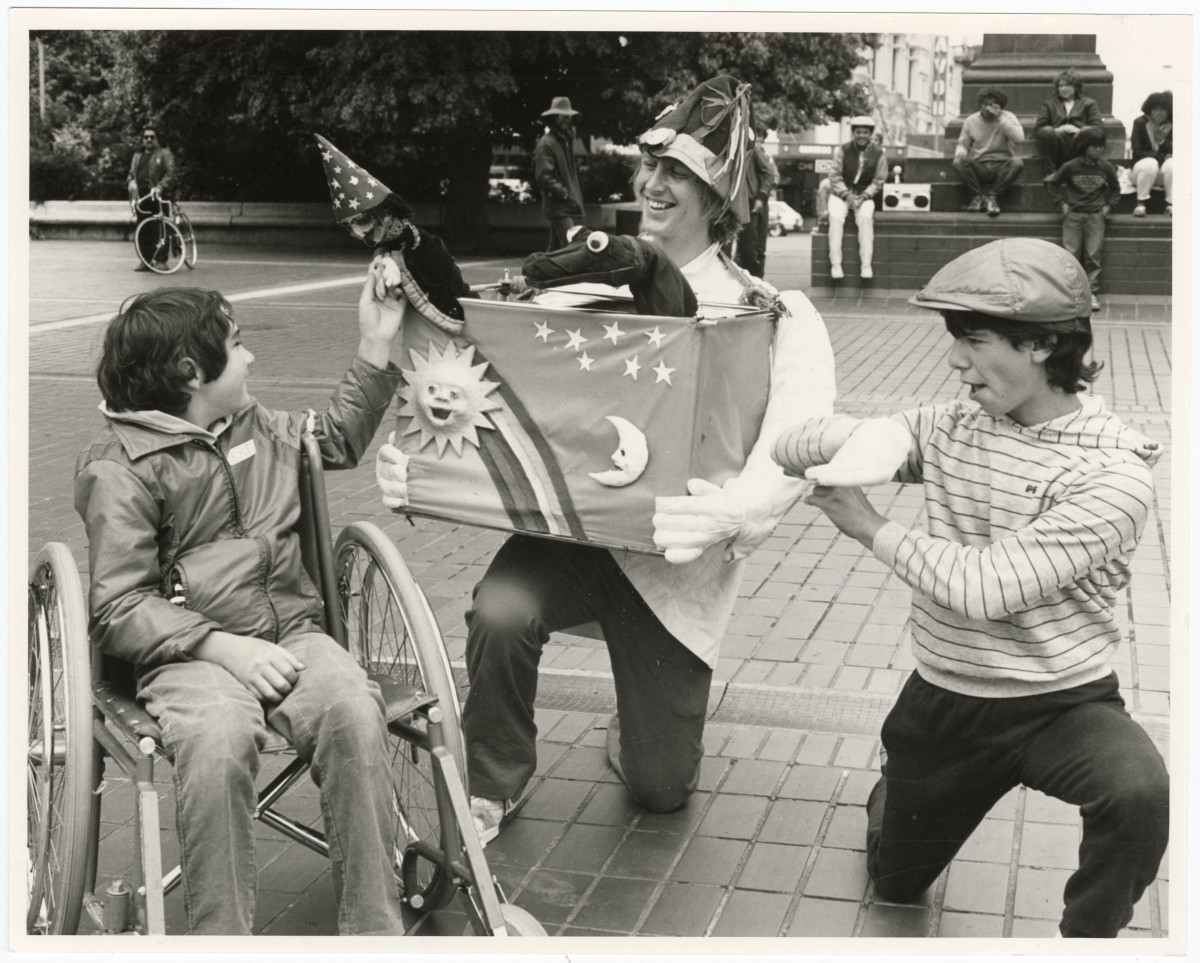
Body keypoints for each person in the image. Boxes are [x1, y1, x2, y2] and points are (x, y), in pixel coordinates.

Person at [376, 75, 835, 843]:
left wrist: (737, 510)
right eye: (650, 167)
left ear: (719, 196)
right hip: (575, 542)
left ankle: (636, 737)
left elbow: (798, 436)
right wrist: (426, 466)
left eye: (678, 172)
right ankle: (491, 783)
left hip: (674, 575)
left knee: (660, 792)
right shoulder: (576, 288)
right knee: (499, 610)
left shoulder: (775, 314)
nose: (654, 185)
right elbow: (489, 375)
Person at [772, 236, 1167, 939]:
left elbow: (986, 588)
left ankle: (1091, 940)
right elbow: (795, 444)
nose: (955, 360)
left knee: (1138, 791)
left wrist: (866, 524)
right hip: (947, 700)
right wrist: (860, 439)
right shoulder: (956, 425)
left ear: (1043, 343)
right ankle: (897, 790)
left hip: (1062, 703)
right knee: (894, 882)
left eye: (974, 339)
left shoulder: (1115, 474)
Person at [74, 277, 409, 935]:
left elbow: (337, 437)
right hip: (186, 658)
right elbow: (118, 606)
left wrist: (376, 338)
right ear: (190, 371)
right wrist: (223, 646)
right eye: (238, 344)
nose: (251, 357)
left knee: (351, 707)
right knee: (218, 739)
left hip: (293, 634)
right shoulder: (120, 469)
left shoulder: (265, 429)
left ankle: (376, 931)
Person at [1044, 126, 1121, 313]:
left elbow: (1116, 189)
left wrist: (1108, 207)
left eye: (1101, 146)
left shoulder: (1106, 167)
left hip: (1096, 217)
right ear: (1084, 146)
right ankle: (1070, 293)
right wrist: (1061, 204)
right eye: (1095, 146)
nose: (1099, 150)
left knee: (1093, 256)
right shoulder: (1070, 166)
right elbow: (1052, 183)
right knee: (1070, 255)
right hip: (1073, 216)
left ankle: (1091, 294)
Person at [827, 116, 886, 280]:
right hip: (841, 195)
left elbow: (879, 180)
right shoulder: (842, 150)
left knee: (866, 218)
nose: (861, 135)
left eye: (865, 132)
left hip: (864, 195)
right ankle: (836, 264)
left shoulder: (879, 153)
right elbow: (835, 176)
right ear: (853, 133)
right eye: (858, 132)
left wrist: (865, 195)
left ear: (870, 134)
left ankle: (866, 265)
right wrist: (847, 195)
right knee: (836, 218)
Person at [952, 86, 1025, 216]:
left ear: (1000, 107)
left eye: (992, 105)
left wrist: (1000, 119)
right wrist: (961, 151)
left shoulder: (1008, 117)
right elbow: (963, 143)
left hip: (1002, 165)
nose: (987, 108)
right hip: (980, 165)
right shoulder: (971, 120)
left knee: (1017, 162)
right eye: (985, 104)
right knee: (958, 162)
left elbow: (1019, 138)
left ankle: (992, 197)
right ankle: (977, 197)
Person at [534, 96, 587, 251]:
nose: (566, 119)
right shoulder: (548, 143)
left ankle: (542, 275)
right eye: (562, 116)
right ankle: (554, 275)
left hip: (561, 204)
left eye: (568, 116)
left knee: (556, 248)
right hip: (559, 204)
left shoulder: (562, 140)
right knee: (570, 247)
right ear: (553, 118)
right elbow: (543, 176)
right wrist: (564, 194)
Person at [126, 125, 177, 271]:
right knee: (143, 230)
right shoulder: (137, 156)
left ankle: (161, 260)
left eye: (152, 137)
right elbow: (131, 174)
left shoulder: (165, 154)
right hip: (142, 198)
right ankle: (146, 260)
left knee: (161, 228)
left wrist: (160, 187)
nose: (148, 139)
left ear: (157, 140)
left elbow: (171, 174)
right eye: (146, 137)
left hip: (159, 197)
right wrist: (130, 182)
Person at [734, 127, 780, 278]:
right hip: (738, 202)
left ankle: (756, 284)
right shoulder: (731, 147)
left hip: (753, 203)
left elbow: (771, 175)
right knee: (741, 249)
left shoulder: (754, 148)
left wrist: (761, 197)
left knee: (753, 250)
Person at [1033, 68, 1102, 169]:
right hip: (1056, 141)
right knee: (1047, 131)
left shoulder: (1089, 103)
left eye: (1067, 85)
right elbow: (1038, 129)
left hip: (1079, 142)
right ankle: (1052, 172)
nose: (1063, 89)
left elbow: (1097, 127)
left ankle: (1082, 169)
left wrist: (1080, 130)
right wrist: (1056, 130)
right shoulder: (1049, 104)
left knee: (1089, 131)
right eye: (1061, 86)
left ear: (1076, 87)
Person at [1130, 91, 1174, 217]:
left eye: (1163, 110)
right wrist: (1162, 156)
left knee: (1173, 164)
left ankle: (1170, 204)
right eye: (1155, 109)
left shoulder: (1174, 125)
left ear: (1169, 111)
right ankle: (1141, 203)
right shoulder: (1139, 123)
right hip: (1142, 171)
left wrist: (1162, 141)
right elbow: (1138, 153)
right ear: (1149, 110)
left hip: (1164, 172)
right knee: (1150, 163)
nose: (1158, 113)